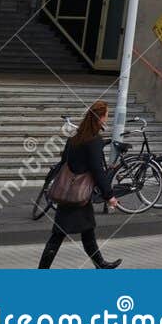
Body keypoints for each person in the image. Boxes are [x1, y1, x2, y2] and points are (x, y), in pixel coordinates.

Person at [38, 100, 121, 269]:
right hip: (79, 194)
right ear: (100, 118)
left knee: (87, 230)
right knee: (59, 235)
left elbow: (64, 162)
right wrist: (109, 195)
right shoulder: (94, 141)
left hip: (68, 191)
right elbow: (97, 170)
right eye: (106, 115)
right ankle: (42, 271)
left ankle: (100, 264)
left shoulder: (75, 138)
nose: (107, 119)